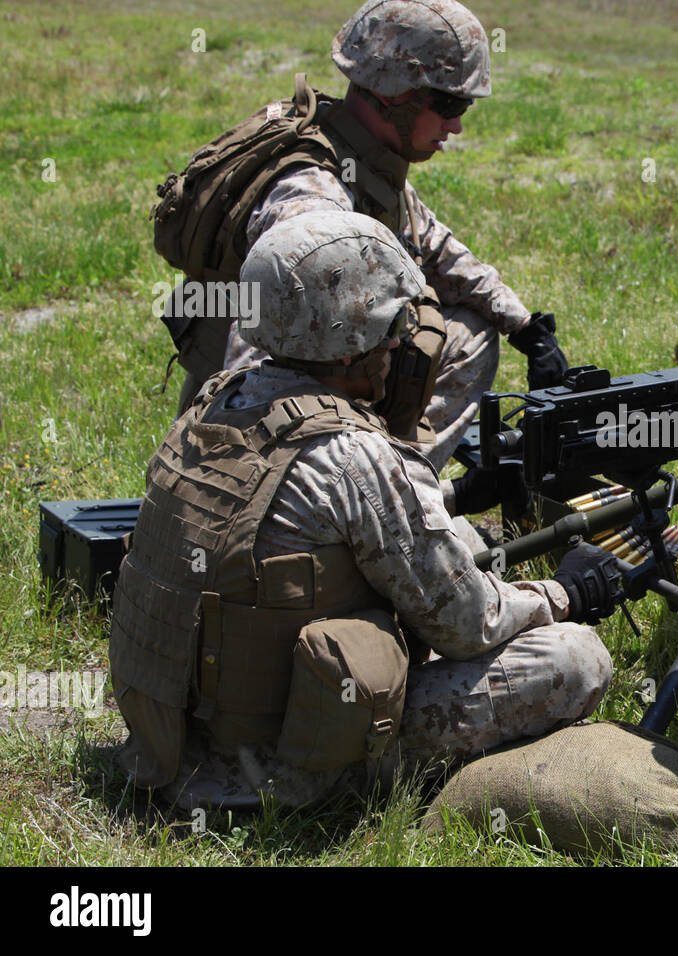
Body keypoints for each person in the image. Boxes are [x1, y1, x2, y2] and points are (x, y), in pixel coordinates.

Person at [113, 211, 621, 809]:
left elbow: (294, 529)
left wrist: (455, 496)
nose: (403, 339)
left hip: (170, 739)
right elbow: (466, 624)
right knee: (575, 657)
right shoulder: (351, 454)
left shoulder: (211, 405)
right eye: (394, 323)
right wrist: (566, 593)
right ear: (353, 340)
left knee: (457, 534)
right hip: (277, 767)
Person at [159, 0, 566, 498]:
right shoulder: (311, 199)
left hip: (299, 386)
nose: (456, 127)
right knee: (431, 333)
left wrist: (525, 327)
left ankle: (387, 489)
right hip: (249, 437)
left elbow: (432, 246)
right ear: (397, 96)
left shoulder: (361, 155)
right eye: (450, 106)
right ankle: (378, 505)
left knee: (471, 330)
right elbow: (259, 363)